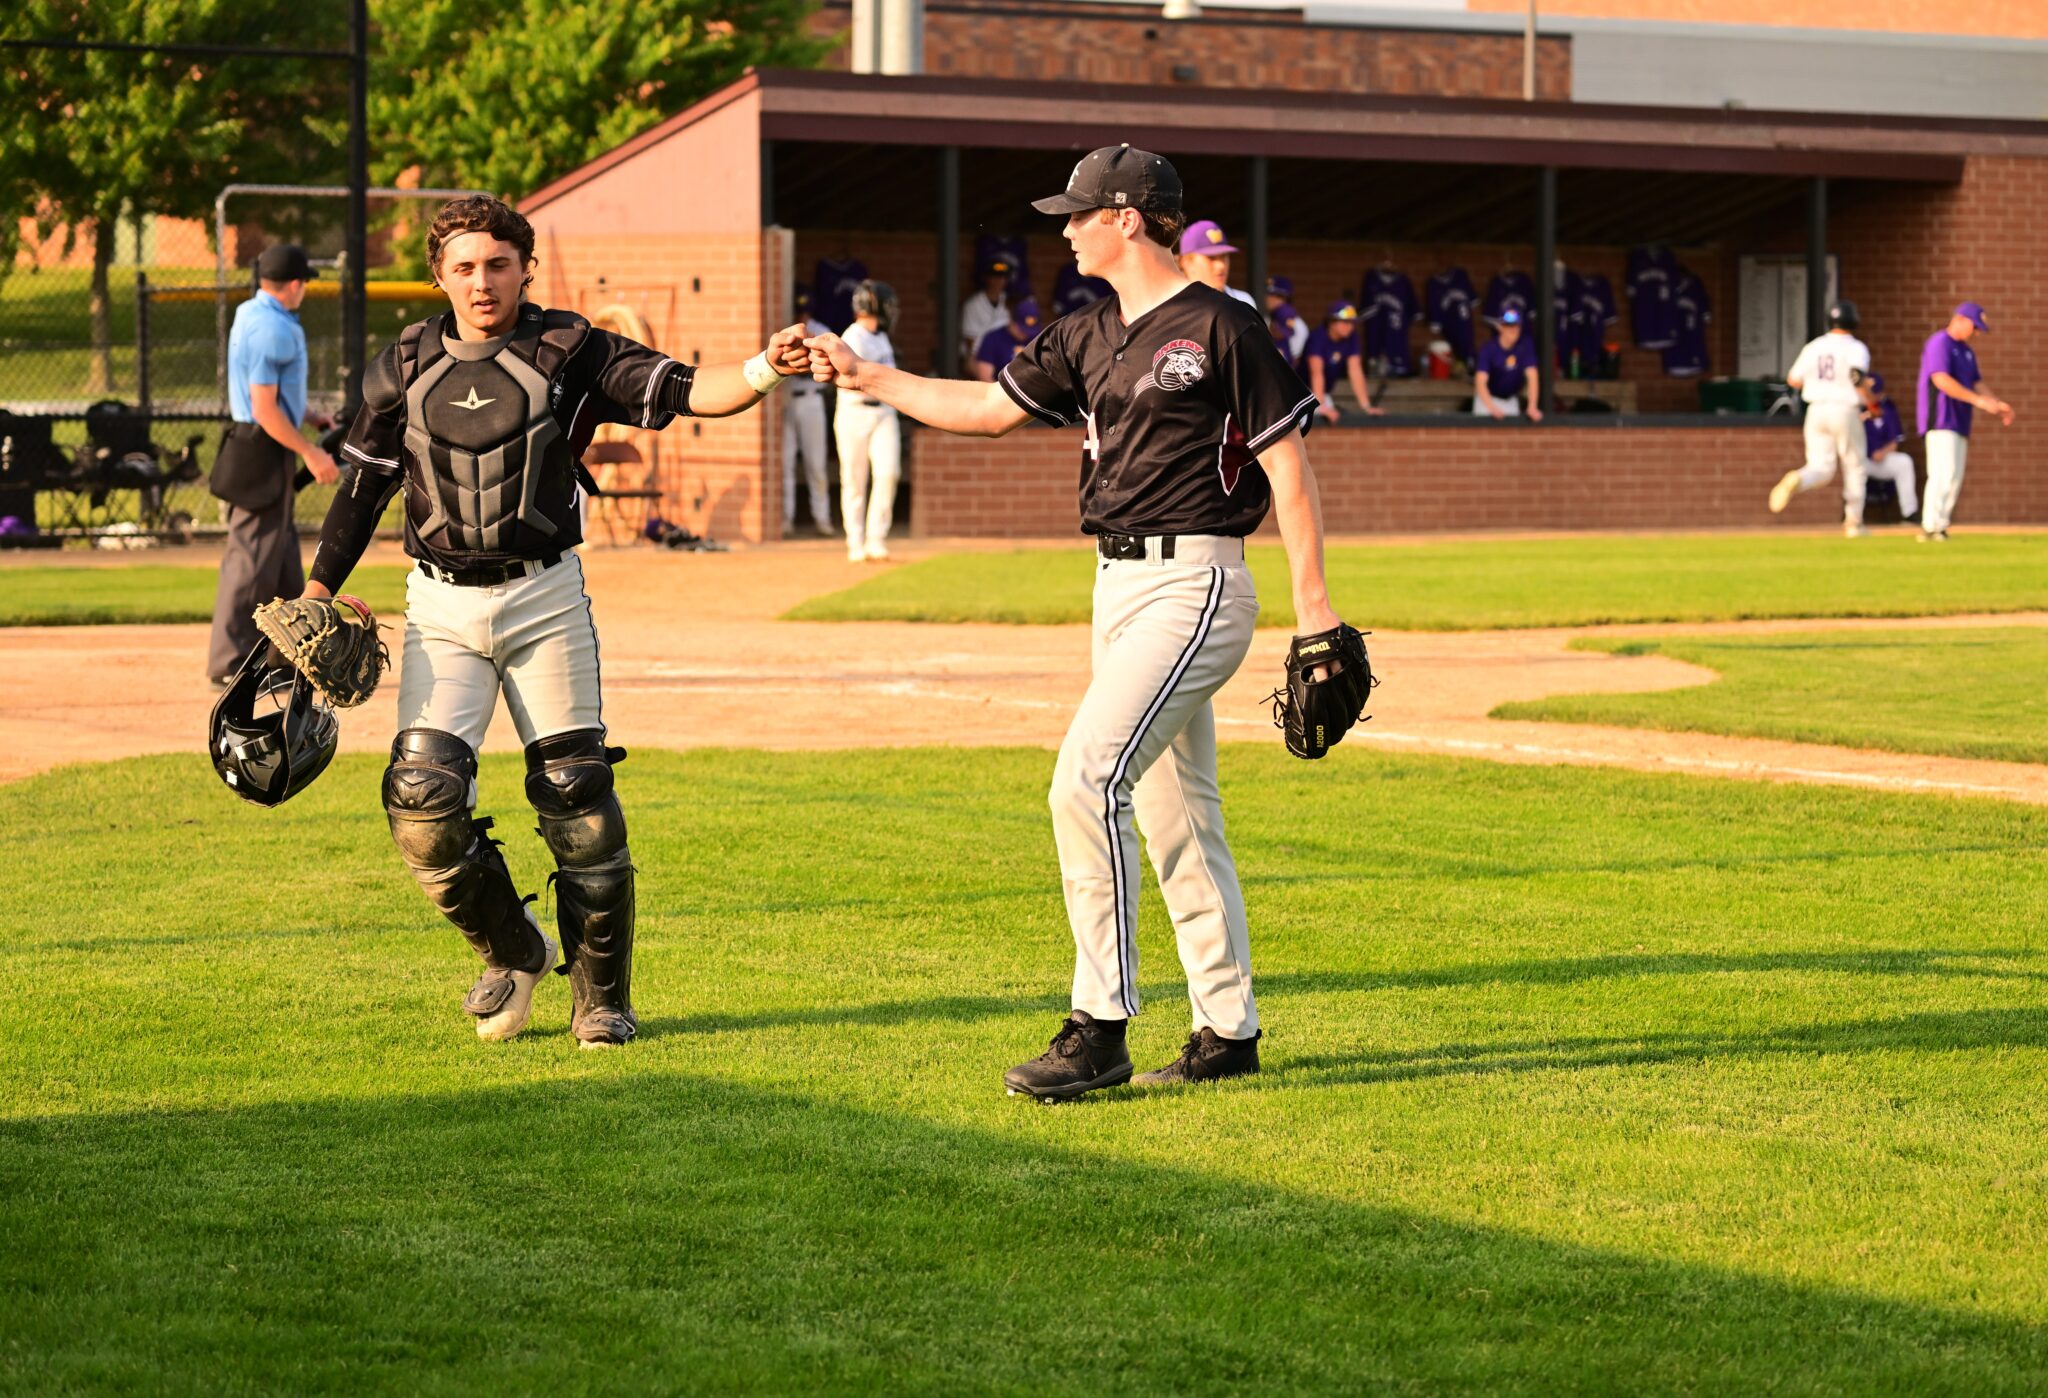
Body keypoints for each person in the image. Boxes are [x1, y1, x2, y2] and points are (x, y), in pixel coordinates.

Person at [804, 145, 1343, 1101]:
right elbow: (982, 409)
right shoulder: (1086, 332)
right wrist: (869, 378)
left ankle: (1100, 1026)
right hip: (1117, 587)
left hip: (1199, 582)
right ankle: (1228, 1029)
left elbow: (1287, 470)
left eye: (1080, 213)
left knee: (1085, 782)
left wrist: (1317, 616)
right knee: (1180, 816)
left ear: (1128, 217)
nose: (1065, 228)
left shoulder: (1224, 327)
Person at [302, 195, 808, 1047]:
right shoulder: (404, 364)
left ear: (525, 268)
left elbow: (688, 391)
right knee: (421, 801)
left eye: (499, 264)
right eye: (463, 267)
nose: (482, 281)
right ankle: (514, 946)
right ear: (438, 277)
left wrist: (764, 365)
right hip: (440, 606)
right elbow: (362, 485)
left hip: (543, 597)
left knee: (577, 792)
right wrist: (318, 591)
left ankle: (602, 998)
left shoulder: (569, 350)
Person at [206, 242, 338, 684]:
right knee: (249, 559)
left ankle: (284, 656)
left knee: (280, 559)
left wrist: (309, 415)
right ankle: (228, 664)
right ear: (296, 285)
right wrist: (310, 450)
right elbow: (263, 407)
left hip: (262, 442)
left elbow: (268, 392)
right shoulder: (274, 329)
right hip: (263, 447)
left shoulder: (250, 313)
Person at [1768, 300, 1874, 536]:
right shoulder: (1855, 347)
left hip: (1816, 409)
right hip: (1844, 408)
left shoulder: (1814, 346)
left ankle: (1798, 478)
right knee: (1854, 466)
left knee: (1821, 467)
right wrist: (1871, 401)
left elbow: (1793, 379)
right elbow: (1856, 377)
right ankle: (1854, 522)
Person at [1916, 301, 2014, 542]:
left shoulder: (1968, 352)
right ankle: (1930, 525)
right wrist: (1978, 401)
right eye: (1975, 327)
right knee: (1943, 472)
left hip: (1960, 419)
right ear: (1960, 319)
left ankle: (1941, 525)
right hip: (1939, 418)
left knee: (1955, 475)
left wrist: (1994, 403)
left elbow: (1977, 383)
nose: (1977, 333)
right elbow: (1940, 379)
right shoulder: (1940, 342)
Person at [835, 279, 903, 562]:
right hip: (854, 412)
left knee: (888, 473)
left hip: (884, 412)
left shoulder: (880, 336)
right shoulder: (853, 336)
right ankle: (855, 541)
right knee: (854, 478)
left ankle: (876, 538)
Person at [784, 284, 836, 537]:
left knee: (816, 463)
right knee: (785, 463)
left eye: (804, 311)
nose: (801, 316)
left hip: (812, 398)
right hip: (786, 399)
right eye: (798, 311)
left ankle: (822, 519)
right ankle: (785, 519)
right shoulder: (783, 329)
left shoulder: (822, 331)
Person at [1301, 300, 1383, 422]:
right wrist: (1321, 407)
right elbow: (1316, 374)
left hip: (1322, 393)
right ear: (1331, 322)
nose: (1349, 327)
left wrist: (1367, 406)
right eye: (1344, 322)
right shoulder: (1317, 337)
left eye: (1352, 323)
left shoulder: (1352, 337)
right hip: (1300, 393)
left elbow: (1355, 371)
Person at [1861, 371, 1919, 525]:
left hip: (1880, 460)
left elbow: (1895, 440)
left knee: (1904, 462)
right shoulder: (1854, 408)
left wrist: (1883, 452)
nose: (1872, 396)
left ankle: (1909, 514)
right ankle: (1854, 517)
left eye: (1875, 392)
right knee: (1852, 466)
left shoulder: (1888, 409)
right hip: (1861, 459)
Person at [1473, 308, 1543, 421]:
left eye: (1516, 326)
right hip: (1487, 401)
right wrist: (1492, 408)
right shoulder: (1488, 349)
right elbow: (1480, 382)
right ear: (1500, 327)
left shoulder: (1525, 346)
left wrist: (1532, 406)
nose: (1513, 330)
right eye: (1508, 326)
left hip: (1510, 400)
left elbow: (1532, 376)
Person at [1175, 220, 1256, 308]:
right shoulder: (1172, 305)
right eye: (1211, 258)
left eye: (1224, 256)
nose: (1221, 265)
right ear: (1186, 262)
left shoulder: (1244, 301)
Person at [971, 297, 1041, 382]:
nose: (1025, 334)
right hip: (1000, 390)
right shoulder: (993, 339)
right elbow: (985, 378)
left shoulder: (1038, 338)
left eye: (1030, 330)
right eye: (1022, 329)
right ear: (1011, 321)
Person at [960, 259, 1013, 366]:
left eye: (1003, 277)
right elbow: (970, 341)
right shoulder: (973, 305)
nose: (1000, 280)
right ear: (987, 278)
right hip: (978, 356)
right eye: (996, 276)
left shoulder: (1010, 303)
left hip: (1003, 356)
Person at [1265, 274, 1310, 365]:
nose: (1267, 298)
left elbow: (1296, 357)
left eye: (1273, 295)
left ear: (1284, 298)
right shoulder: (1271, 317)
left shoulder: (1296, 324)